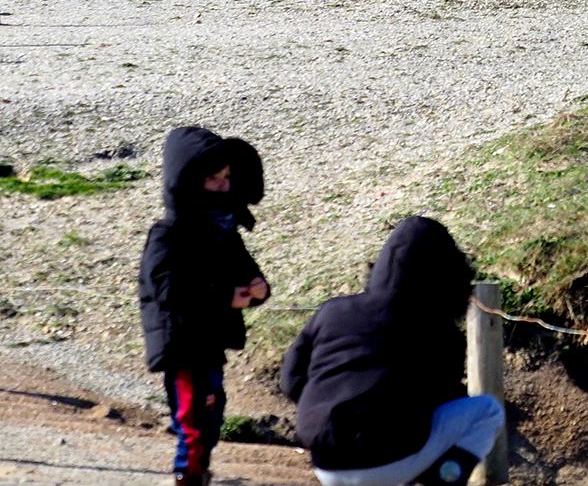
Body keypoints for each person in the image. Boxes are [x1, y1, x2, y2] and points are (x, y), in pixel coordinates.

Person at [281, 216, 505, 486]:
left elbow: (290, 381)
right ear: (449, 273)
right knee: (487, 410)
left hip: (326, 463)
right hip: (389, 458)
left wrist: (329, 407)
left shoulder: (332, 311)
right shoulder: (438, 329)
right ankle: (445, 479)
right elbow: (442, 397)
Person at [138, 125, 270, 486]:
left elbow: (245, 269)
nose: (224, 185)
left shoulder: (222, 230)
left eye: (227, 177)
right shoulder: (167, 234)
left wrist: (258, 288)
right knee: (194, 412)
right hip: (181, 340)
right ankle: (187, 474)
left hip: (208, 339)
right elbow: (167, 289)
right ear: (190, 182)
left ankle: (198, 469)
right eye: (214, 179)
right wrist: (225, 297)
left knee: (213, 410)